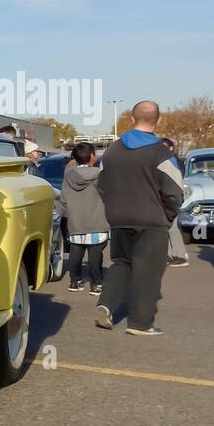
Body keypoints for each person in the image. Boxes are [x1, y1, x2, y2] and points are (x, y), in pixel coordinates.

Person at [93, 101, 184, 335]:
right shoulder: (161, 153)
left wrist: (113, 207)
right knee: (148, 272)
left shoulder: (112, 150)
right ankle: (140, 324)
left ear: (132, 119)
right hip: (151, 221)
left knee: (121, 264)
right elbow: (174, 191)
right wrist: (167, 215)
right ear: (159, 120)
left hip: (118, 218)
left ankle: (105, 304)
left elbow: (101, 184)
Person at [60, 142, 109, 294]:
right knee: (95, 256)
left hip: (76, 222)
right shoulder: (100, 175)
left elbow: (63, 199)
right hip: (97, 221)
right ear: (92, 156)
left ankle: (75, 281)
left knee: (76, 253)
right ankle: (96, 283)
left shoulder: (69, 176)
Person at [161, 137, 189, 267]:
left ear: (171, 148)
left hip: (172, 198)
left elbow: (176, 182)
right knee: (165, 228)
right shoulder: (165, 162)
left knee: (172, 227)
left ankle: (180, 255)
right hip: (164, 197)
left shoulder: (175, 163)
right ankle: (168, 254)